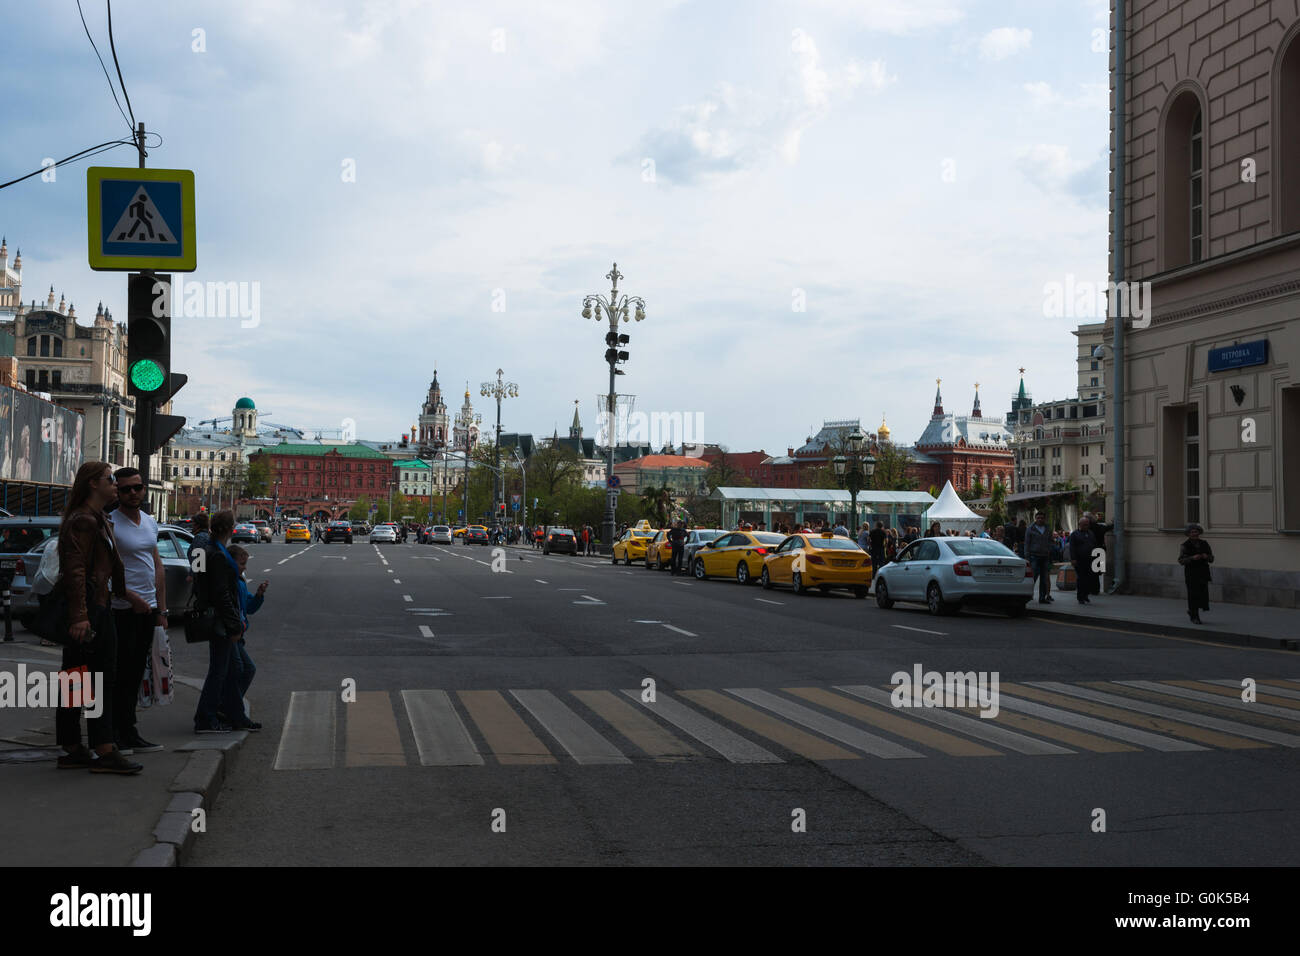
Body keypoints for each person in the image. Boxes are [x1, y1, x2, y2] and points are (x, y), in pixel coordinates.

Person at [54, 462, 150, 774]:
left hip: (97, 607)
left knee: (77, 679)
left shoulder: (98, 518)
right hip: (92, 612)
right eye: (111, 480)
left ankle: (73, 747)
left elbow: (109, 567)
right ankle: (104, 749)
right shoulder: (84, 520)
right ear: (94, 484)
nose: (115, 484)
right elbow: (75, 570)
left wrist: (125, 595)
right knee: (97, 680)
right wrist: (81, 616)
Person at [107, 467, 168, 756]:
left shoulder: (149, 521)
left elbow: (156, 565)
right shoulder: (110, 523)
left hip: (148, 608)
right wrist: (129, 598)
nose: (133, 493)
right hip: (120, 609)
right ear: (116, 492)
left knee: (134, 675)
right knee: (118, 675)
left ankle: (130, 732)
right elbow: (104, 571)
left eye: (137, 487)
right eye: (126, 489)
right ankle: (114, 734)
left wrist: (161, 608)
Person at [193, 511, 249, 734]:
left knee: (231, 669)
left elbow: (198, 580)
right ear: (230, 529)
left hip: (218, 618)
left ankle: (230, 715)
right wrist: (235, 625)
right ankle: (206, 718)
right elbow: (222, 594)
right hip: (220, 621)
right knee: (219, 672)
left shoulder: (212, 550)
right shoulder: (217, 554)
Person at [226, 545, 266, 726]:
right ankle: (233, 711)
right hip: (230, 633)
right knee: (241, 670)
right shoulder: (229, 581)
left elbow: (248, 607)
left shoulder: (240, 581)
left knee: (242, 670)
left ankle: (227, 707)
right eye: (242, 564)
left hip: (237, 633)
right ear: (231, 562)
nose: (245, 568)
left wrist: (258, 595)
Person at [1179, 523, 1214, 624]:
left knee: (1202, 594)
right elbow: (1181, 560)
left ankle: (1192, 611)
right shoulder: (1184, 545)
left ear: (1199, 532)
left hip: (1203, 572)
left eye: (1196, 532)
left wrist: (1206, 556)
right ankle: (1194, 616)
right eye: (1192, 532)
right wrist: (1191, 558)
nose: (1194, 534)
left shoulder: (1204, 543)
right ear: (1188, 534)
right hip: (1191, 573)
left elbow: (1212, 558)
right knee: (1193, 594)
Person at [1024, 511, 1054, 604]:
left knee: (1044, 578)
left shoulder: (1047, 528)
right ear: (1035, 519)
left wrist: (1049, 550)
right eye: (1038, 518)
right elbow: (1027, 543)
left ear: (1044, 519)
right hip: (1034, 556)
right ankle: (1028, 595)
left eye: (1042, 518)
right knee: (1033, 577)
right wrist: (1027, 556)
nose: (1040, 519)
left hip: (1045, 556)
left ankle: (1042, 597)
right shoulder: (1030, 528)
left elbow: (1050, 541)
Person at [1069, 516, 1100, 604]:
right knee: (1081, 579)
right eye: (1085, 524)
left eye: (1088, 524)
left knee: (1089, 578)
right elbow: (1072, 547)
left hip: (1090, 559)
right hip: (1079, 560)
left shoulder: (1091, 533)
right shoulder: (1075, 534)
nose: (1087, 526)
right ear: (1080, 525)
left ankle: (1086, 595)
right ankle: (1080, 597)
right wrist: (1073, 559)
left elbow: (1094, 544)